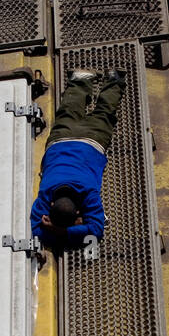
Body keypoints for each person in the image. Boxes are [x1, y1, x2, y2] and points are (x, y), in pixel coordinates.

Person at [29, 68, 127, 252]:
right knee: (69, 111)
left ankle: (115, 79)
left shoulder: (89, 193)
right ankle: (81, 78)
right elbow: (35, 229)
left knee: (104, 113)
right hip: (60, 141)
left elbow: (96, 231)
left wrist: (61, 230)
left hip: (92, 142)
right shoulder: (46, 193)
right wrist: (59, 228)